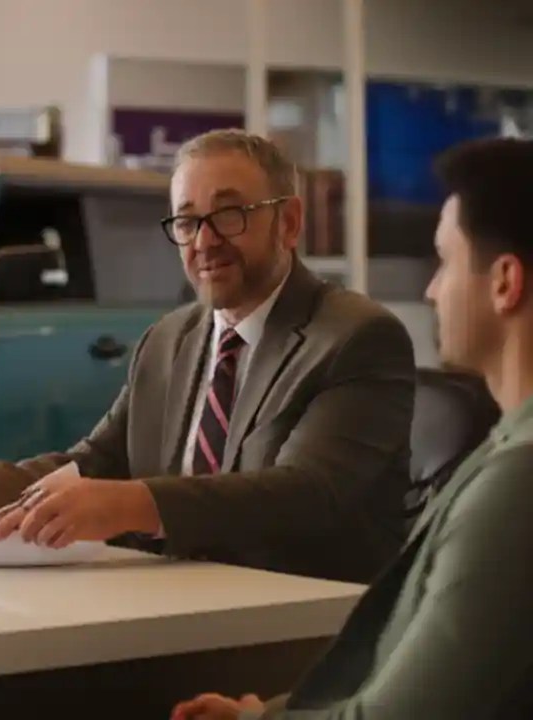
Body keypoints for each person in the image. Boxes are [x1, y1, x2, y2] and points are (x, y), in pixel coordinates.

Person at [0, 129, 416, 583]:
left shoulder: (356, 338)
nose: (205, 241)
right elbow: (96, 461)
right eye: (187, 222)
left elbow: (307, 495)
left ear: (289, 223)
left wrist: (134, 504)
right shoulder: (170, 338)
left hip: (298, 624)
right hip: (172, 602)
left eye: (229, 215)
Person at [171, 136, 533, 719]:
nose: (431, 289)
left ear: (504, 282)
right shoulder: (506, 451)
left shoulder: (518, 488)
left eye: (443, 261)